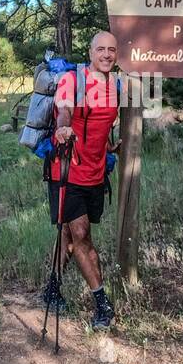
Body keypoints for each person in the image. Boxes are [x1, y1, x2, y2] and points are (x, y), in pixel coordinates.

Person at [48, 30, 120, 329]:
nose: (106, 54)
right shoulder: (72, 81)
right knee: (81, 235)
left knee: (67, 235)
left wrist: (108, 146)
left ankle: (52, 287)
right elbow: (65, 111)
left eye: (111, 50)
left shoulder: (116, 85)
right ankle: (102, 304)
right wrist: (64, 128)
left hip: (95, 171)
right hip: (66, 171)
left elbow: (101, 124)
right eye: (100, 49)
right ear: (90, 52)